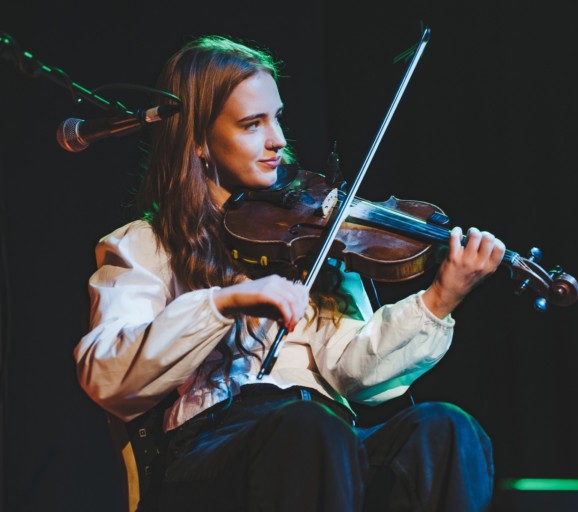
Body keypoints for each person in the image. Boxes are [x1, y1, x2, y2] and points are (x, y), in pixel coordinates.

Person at [74, 34, 505, 512]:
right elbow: (106, 376)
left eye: (276, 117)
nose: (277, 140)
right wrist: (222, 303)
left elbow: (352, 373)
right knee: (306, 428)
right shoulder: (145, 244)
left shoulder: (307, 232)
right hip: (214, 450)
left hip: (329, 442)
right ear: (197, 141)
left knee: (443, 428)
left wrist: (441, 298)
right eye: (252, 124)